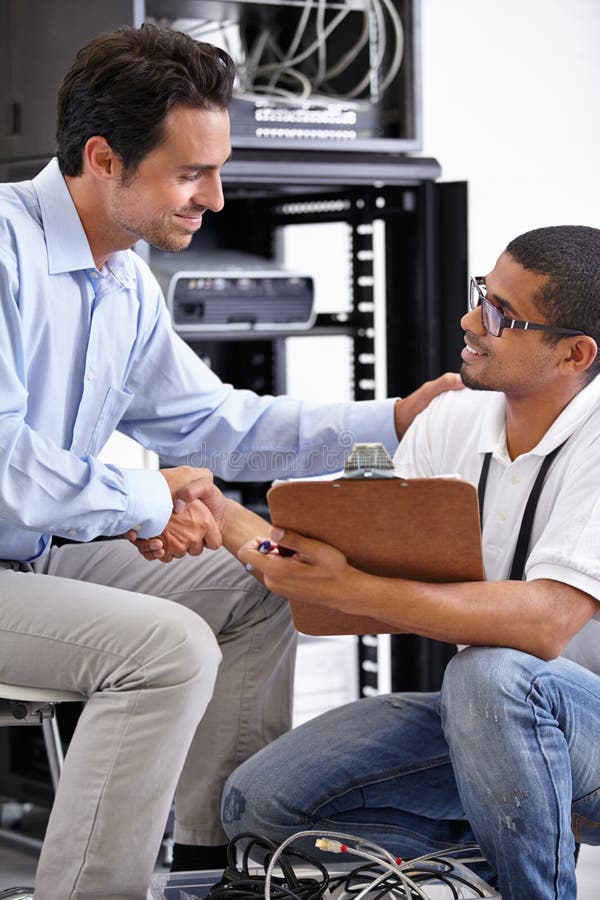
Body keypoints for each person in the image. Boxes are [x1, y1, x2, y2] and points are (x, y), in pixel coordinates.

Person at [0, 22, 458, 900]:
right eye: (190, 173)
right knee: (168, 647)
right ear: (103, 157)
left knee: (261, 582)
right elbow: (6, 464)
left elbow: (219, 423)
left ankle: (218, 872)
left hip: (35, 556)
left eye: (218, 168)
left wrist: (397, 418)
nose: (214, 198)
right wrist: (144, 498)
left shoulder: (122, 279)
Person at [221, 225, 600, 900]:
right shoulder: (450, 421)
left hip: (558, 714)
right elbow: (341, 595)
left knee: (492, 673)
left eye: (500, 316)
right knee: (261, 804)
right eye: (484, 294)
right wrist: (228, 521)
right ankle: (503, 853)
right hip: (500, 723)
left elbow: (546, 623)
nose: (469, 321)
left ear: (575, 353)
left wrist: (358, 584)